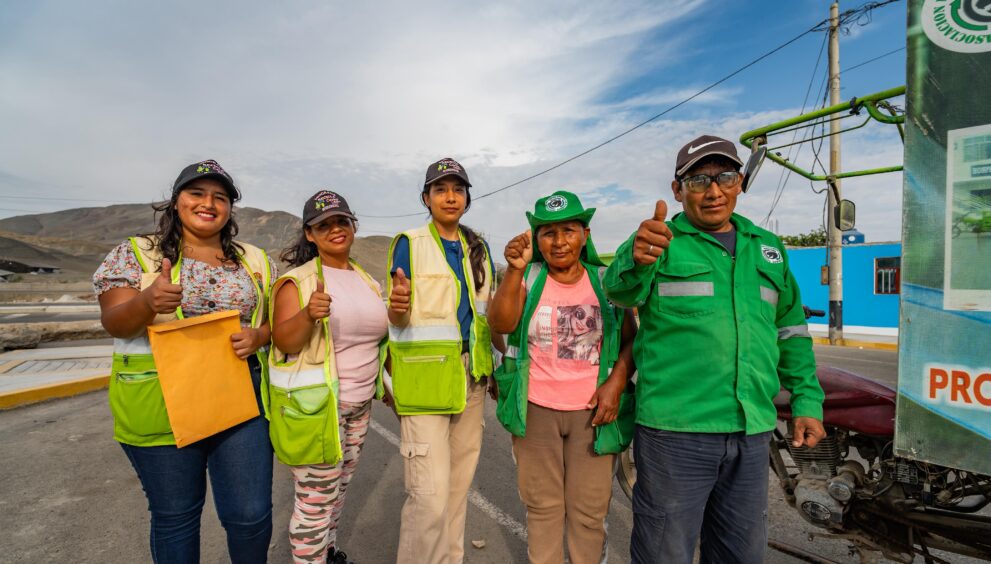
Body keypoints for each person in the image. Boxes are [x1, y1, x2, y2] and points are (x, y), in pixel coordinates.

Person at [602, 135, 827, 564]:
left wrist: (807, 400)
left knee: (740, 555)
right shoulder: (659, 241)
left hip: (750, 430)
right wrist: (636, 257)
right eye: (698, 180)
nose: (713, 190)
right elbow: (619, 289)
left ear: (740, 182)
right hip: (676, 433)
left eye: (724, 177)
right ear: (677, 189)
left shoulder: (769, 250)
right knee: (663, 553)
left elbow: (792, 332)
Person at [94, 159, 276, 563]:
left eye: (220, 197)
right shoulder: (137, 252)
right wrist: (146, 301)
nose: (208, 203)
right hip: (161, 403)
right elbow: (115, 322)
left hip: (239, 400)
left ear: (230, 208)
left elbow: (274, 324)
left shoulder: (254, 260)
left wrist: (259, 335)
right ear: (176, 201)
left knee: (250, 515)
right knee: (176, 516)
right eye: (197, 193)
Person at [488, 191, 637, 564]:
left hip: (593, 412)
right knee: (542, 507)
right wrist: (516, 270)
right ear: (536, 239)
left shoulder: (606, 282)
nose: (558, 242)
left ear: (585, 234)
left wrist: (616, 382)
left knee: (589, 512)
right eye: (547, 233)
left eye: (568, 230)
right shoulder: (530, 276)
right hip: (536, 409)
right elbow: (501, 323)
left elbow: (632, 339)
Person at [387, 157, 502, 564]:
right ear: (426, 198)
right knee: (429, 498)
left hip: (471, 380)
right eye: (441, 189)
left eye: (458, 189)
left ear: (467, 198)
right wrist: (396, 306)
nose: (450, 196)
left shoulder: (478, 248)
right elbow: (399, 315)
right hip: (425, 386)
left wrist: (492, 370)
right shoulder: (409, 242)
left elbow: (484, 315)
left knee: (456, 492)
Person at [268, 190, 389, 564]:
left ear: (352, 225)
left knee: (337, 492)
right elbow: (283, 340)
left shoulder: (366, 280)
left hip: (358, 405)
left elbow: (378, 340)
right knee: (314, 502)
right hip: (316, 408)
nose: (335, 229)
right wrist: (307, 315)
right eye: (323, 225)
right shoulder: (298, 281)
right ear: (310, 234)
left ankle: (329, 554)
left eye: (341, 221)